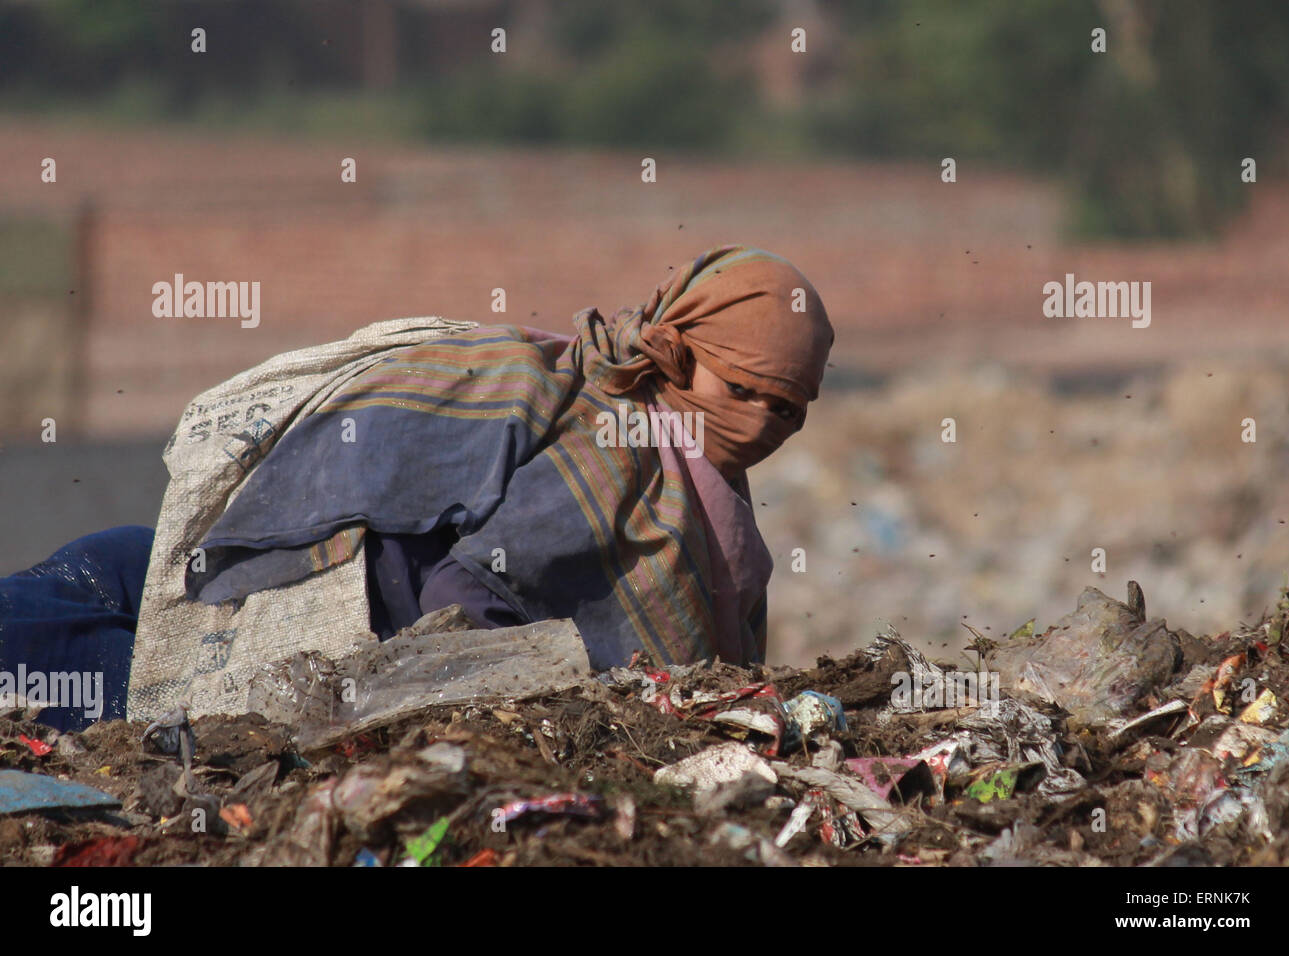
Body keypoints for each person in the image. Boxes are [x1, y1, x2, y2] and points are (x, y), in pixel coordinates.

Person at [1, 244, 833, 729]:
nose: (762, 422)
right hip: (258, 639)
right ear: (680, 357)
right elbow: (463, 600)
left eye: (788, 410)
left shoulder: (600, 405)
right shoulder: (623, 463)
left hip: (204, 578)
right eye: (744, 391)